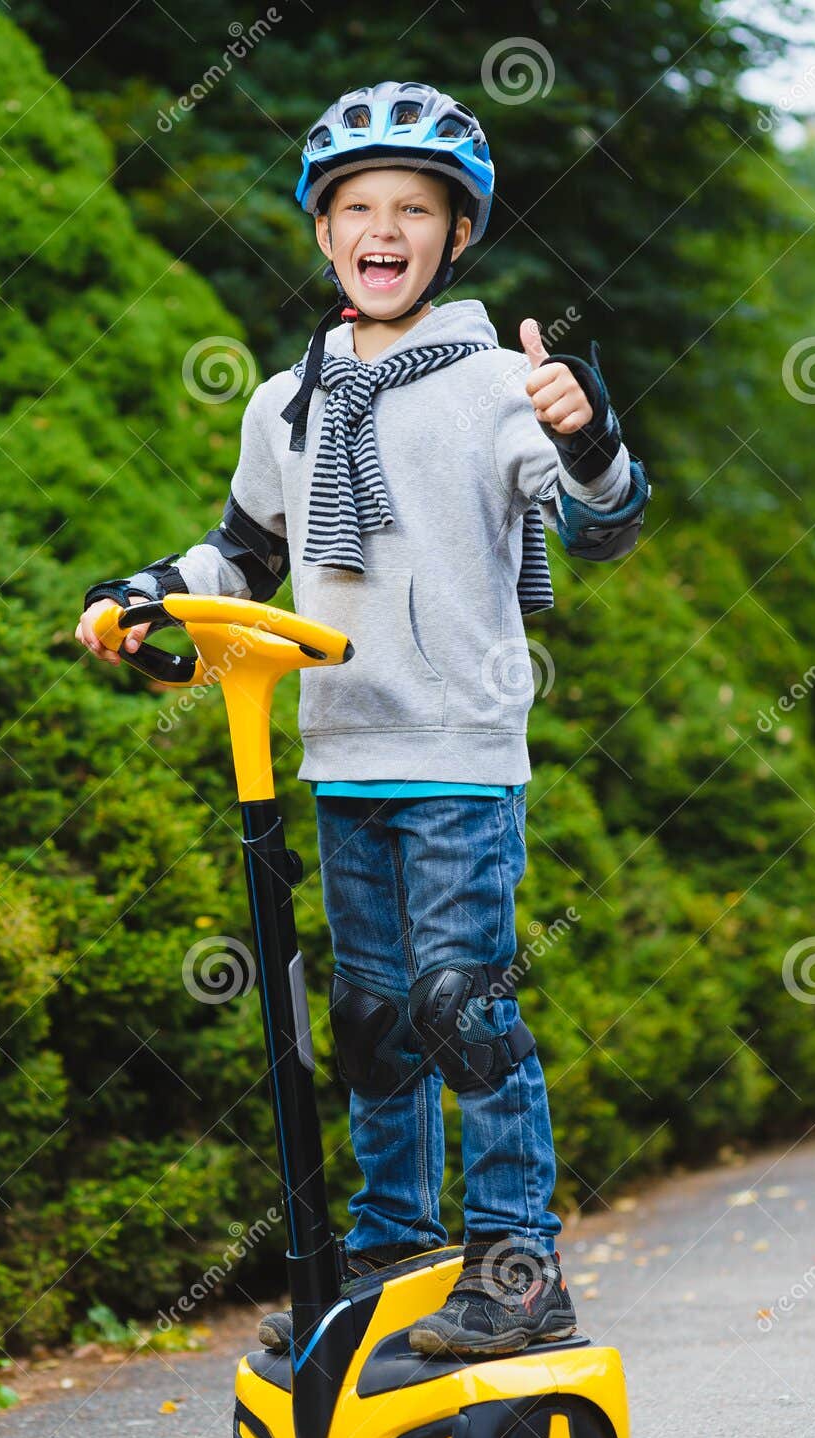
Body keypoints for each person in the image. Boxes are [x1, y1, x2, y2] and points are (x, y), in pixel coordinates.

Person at [76, 80, 649, 1358]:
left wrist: (592, 432)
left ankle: (516, 1263)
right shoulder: (285, 403)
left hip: (456, 756)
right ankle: (395, 1248)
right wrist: (146, 597)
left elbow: (601, 527)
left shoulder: (503, 384)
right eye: (357, 207)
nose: (382, 228)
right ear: (323, 232)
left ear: (456, 237)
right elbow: (241, 555)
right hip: (343, 758)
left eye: (414, 209)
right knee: (375, 1019)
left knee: (461, 1002)